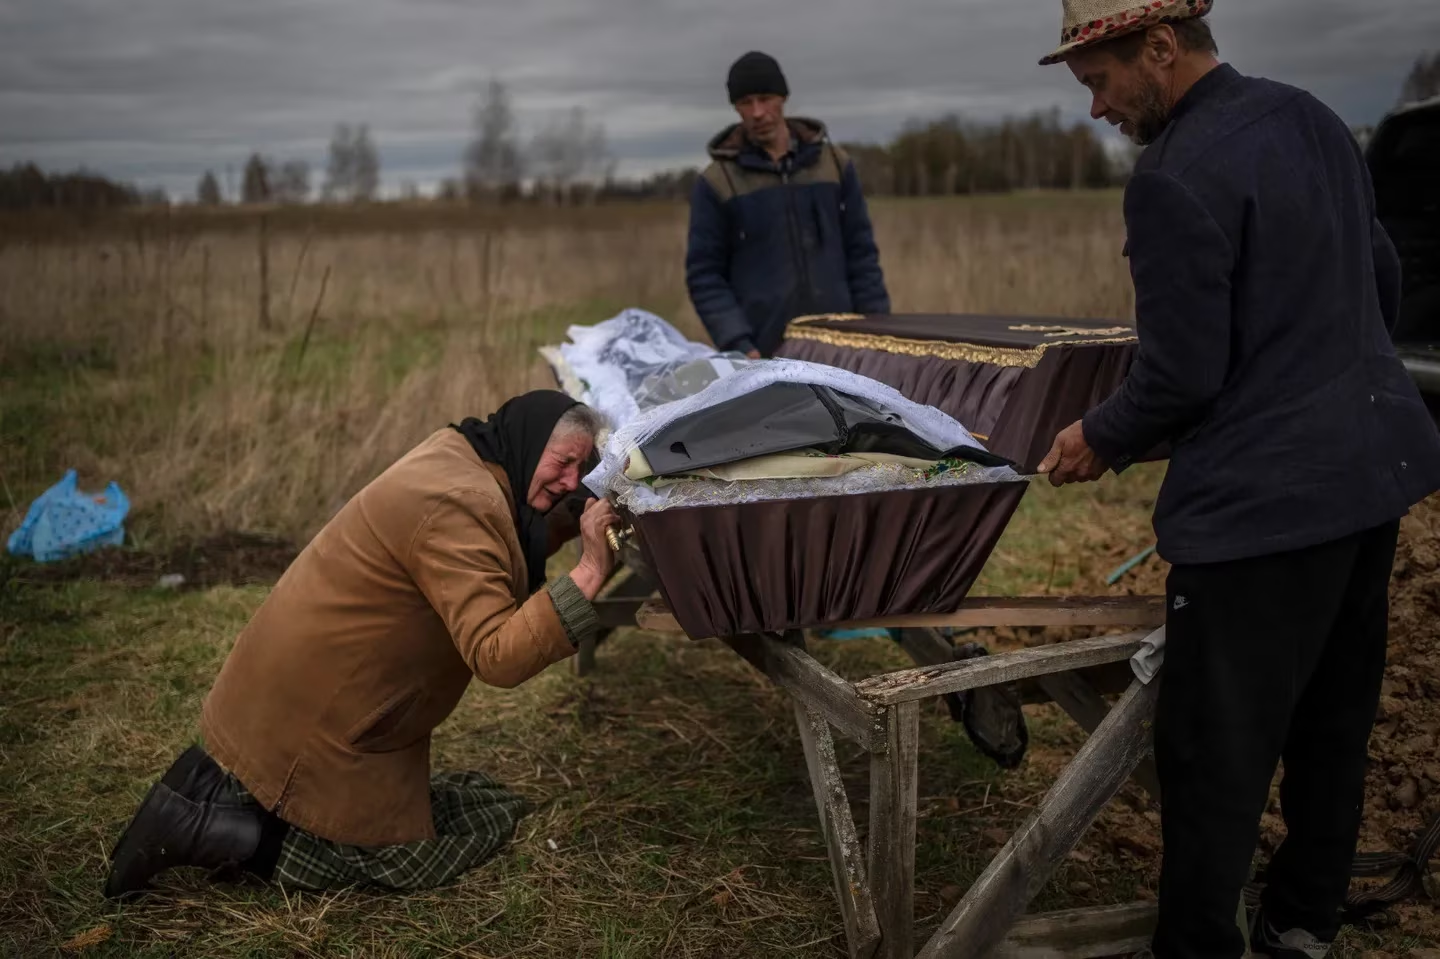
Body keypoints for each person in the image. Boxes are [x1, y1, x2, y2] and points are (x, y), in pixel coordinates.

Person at [1034, 3, 1440, 957]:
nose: (1096, 109)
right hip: (1367, 482)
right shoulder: (1313, 119)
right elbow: (1380, 277)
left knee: (1213, 755)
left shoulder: (1172, 177)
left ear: (1161, 48)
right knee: (1333, 723)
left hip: (1261, 516)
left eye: (1099, 82)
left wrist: (1098, 435)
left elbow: (1180, 375)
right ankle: (1302, 925)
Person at [103, 391, 619, 898]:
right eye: (563, 463)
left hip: (291, 692)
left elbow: (507, 542)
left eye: (581, 470)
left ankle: (208, 790)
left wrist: (572, 512)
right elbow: (497, 656)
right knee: (416, 855)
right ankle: (210, 831)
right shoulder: (462, 505)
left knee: (481, 802)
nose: (569, 480)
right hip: (321, 718)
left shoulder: (460, 455)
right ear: (530, 440)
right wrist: (591, 569)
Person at [685, 50, 891, 359]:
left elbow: (861, 254)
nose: (757, 112)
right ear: (736, 108)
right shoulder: (717, 182)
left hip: (844, 346)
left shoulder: (834, 165)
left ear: (783, 98)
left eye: (765, 98)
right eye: (746, 102)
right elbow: (705, 275)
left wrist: (877, 330)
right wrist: (740, 345)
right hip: (766, 355)